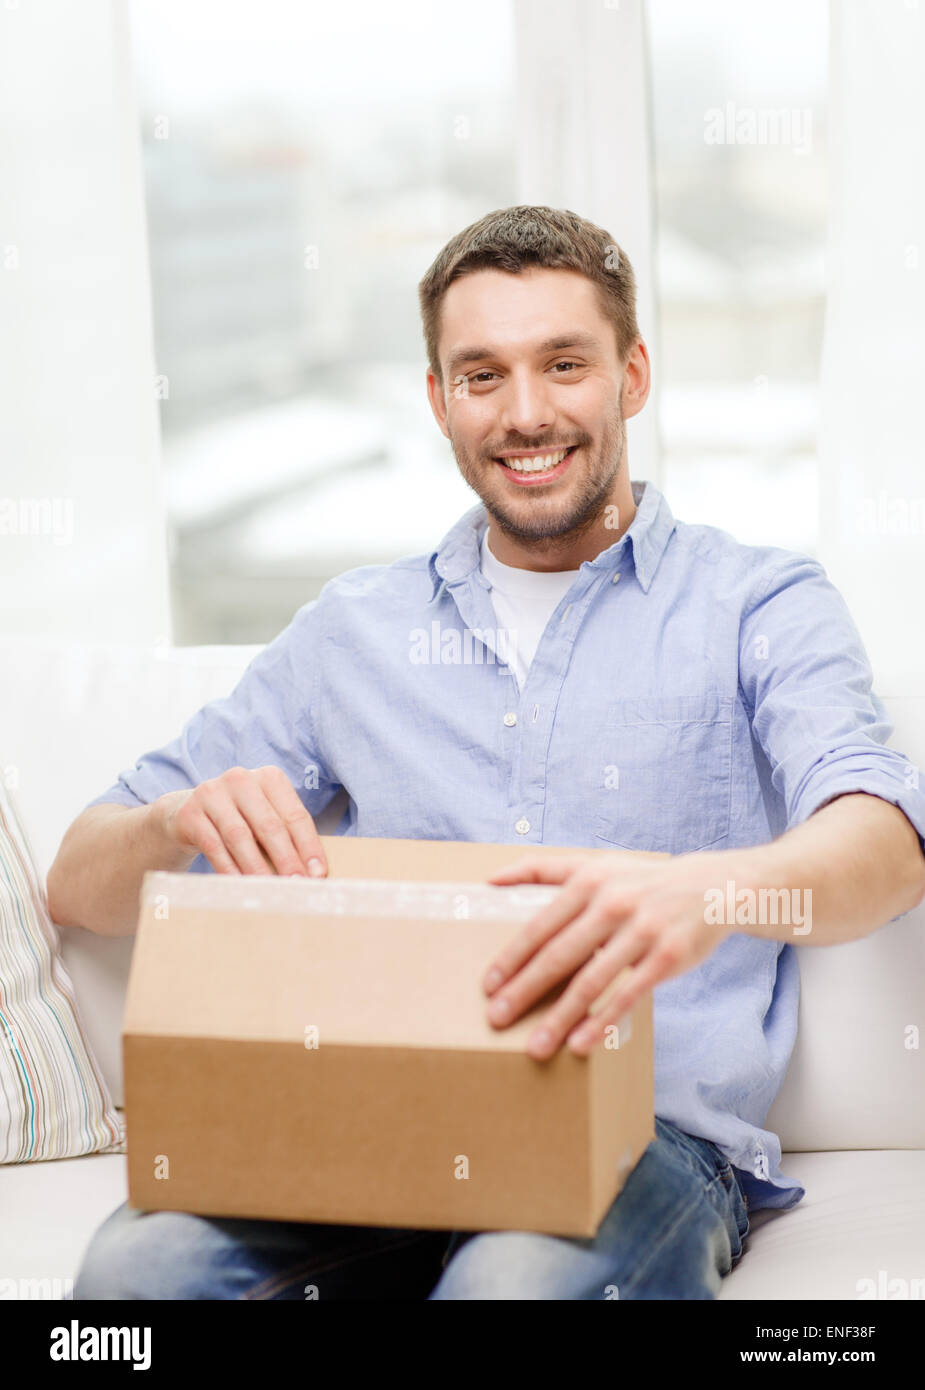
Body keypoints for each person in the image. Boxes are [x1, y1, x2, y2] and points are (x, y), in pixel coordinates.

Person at [51, 205, 925, 1300]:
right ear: (437, 399)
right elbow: (77, 882)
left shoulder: (757, 601)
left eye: (564, 364)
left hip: (642, 1141)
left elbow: (886, 845)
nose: (526, 413)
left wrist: (707, 892)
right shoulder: (349, 631)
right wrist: (173, 824)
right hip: (357, 1125)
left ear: (632, 375)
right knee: (132, 1273)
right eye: (481, 375)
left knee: (509, 1289)